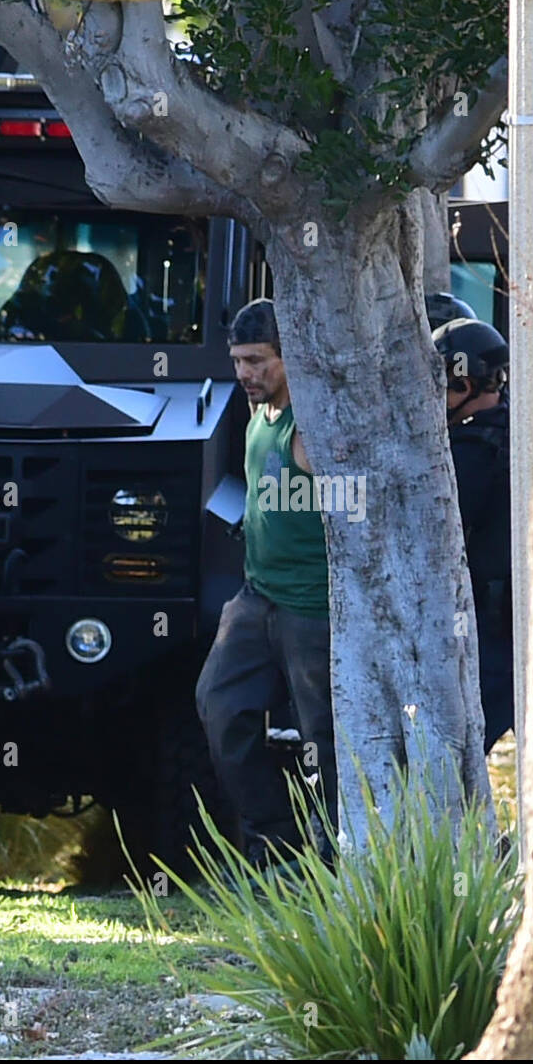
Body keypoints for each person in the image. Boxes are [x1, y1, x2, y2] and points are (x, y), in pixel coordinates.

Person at [194, 299, 336, 865]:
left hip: (314, 607)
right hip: (257, 598)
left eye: (258, 361)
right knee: (219, 706)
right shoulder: (259, 417)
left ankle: (331, 860)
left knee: (322, 737)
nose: (245, 374)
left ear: (290, 356)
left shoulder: (314, 424)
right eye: (238, 361)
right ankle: (273, 848)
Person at [432, 313, 513, 753]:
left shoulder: (471, 453)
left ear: (465, 387)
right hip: (501, 626)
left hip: (490, 633)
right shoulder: (515, 433)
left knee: (454, 756)